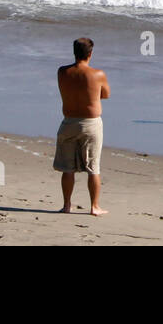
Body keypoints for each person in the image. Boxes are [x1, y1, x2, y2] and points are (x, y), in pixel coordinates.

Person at [55, 37, 110, 216]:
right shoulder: (98, 74)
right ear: (90, 53)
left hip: (69, 122)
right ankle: (94, 206)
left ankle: (66, 205)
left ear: (74, 52)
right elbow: (106, 94)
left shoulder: (62, 72)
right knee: (93, 168)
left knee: (67, 168)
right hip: (91, 123)